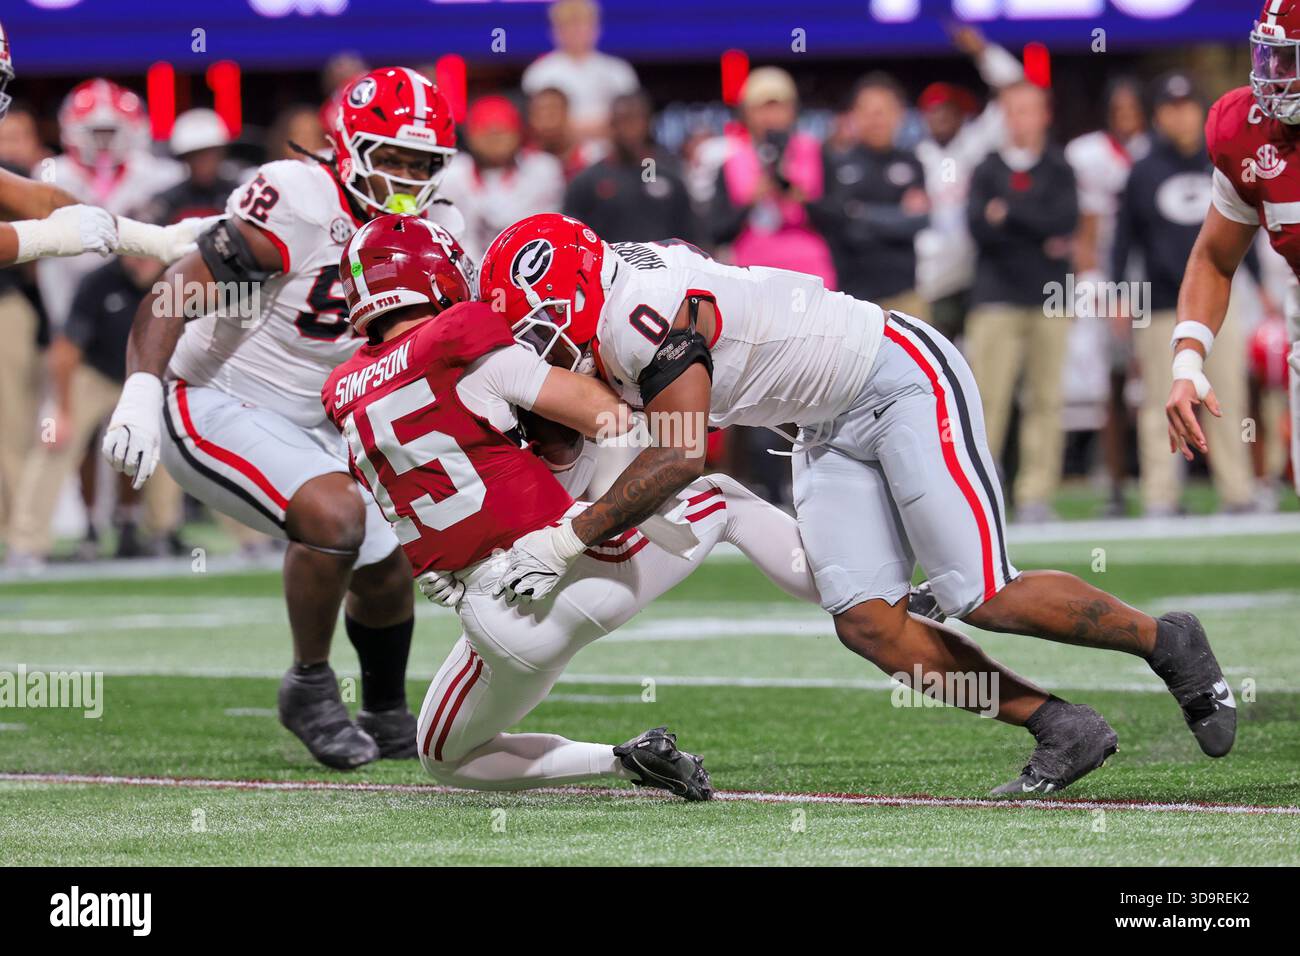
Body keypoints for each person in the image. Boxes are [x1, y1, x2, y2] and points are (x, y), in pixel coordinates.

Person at [478, 212, 1238, 797]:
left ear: (577, 296)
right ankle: (1060, 726)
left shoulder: (640, 315)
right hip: (820, 423)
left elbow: (678, 454)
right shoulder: (614, 292)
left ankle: (1167, 643)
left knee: (981, 594)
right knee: (868, 623)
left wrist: (564, 540)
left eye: (539, 328)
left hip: (898, 378)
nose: (541, 349)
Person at [325, 214, 821, 796]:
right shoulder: (461, 340)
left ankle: (623, 761)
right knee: (719, 496)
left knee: (446, 759)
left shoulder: (343, 390)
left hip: (489, 618)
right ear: (437, 279)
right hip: (563, 578)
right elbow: (608, 416)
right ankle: (857, 593)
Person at [100, 67, 461, 771]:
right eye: (389, 158)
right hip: (212, 396)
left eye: (420, 165)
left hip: (316, 420)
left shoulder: (437, 226)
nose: (404, 180)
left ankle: (385, 713)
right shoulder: (297, 198)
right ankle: (309, 684)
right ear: (348, 146)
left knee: (389, 566)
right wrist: (142, 387)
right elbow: (180, 287)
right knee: (335, 516)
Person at [1166, 0, 1300, 500]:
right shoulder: (1244, 132)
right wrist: (1187, 364)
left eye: (1288, 60)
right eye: (1270, 57)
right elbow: (1215, 260)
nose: (1273, 75)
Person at [1114, 73, 1257, 517]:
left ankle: (1238, 492)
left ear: (1200, 110)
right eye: (1170, 108)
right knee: (1163, 395)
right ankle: (1161, 494)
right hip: (1160, 304)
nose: (1180, 116)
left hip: (1220, 304)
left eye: (1187, 106)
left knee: (1229, 396)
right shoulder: (1142, 170)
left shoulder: (1220, 158)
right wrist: (1120, 292)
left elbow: (1240, 230)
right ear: (1158, 115)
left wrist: (1266, 287)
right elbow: (1124, 237)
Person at [6, 255, 182, 566]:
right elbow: (65, 349)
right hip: (93, 375)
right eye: (134, 252)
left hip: (149, 377)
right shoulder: (99, 282)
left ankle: (163, 531)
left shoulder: (179, 281)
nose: (140, 262)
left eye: (147, 255)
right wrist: (61, 411)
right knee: (51, 442)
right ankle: (26, 543)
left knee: (177, 441)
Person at [963, 81, 1079, 522]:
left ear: (1044, 115)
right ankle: (981, 493)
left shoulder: (1058, 165)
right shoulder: (987, 167)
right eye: (1013, 111)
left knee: (1046, 398)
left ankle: (1036, 494)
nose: (1021, 120)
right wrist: (1035, 225)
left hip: (1050, 296)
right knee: (987, 399)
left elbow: (1064, 220)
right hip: (995, 297)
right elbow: (977, 227)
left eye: (1029, 110)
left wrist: (1009, 213)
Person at [1065, 78, 1150, 516]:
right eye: (1118, 108)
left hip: (1154, 276)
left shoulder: (1154, 151)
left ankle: (1156, 483)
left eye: (1133, 107)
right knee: (1108, 384)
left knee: (1152, 384)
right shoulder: (1090, 154)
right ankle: (1114, 479)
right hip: (1108, 280)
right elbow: (1087, 230)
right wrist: (1101, 287)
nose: (1126, 116)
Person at [913, 25, 1024, 340]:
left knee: (978, 363)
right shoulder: (915, 157)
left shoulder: (978, 142)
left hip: (981, 267)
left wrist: (983, 51)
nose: (940, 118)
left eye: (947, 111)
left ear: (961, 114)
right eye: (932, 112)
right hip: (931, 275)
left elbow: (1014, 88)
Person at [812, 72, 929, 319]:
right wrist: (895, 216)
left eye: (882, 111)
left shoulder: (912, 163)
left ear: (900, 114)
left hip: (905, 295)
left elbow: (918, 221)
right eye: (867, 111)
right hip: (850, 299)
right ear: (853, 115)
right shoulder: (836, 163)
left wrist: (860, 213)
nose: (875, 120)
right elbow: (838, 223)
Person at [708, 66, 834, 286]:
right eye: (762, 109)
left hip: (810, 273)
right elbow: (716, 230)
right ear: (746, 113)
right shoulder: (731, 162)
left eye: (779, 108)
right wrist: (751, 200)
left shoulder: (816, 152)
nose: (771, 117)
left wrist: (801, 197)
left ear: (793, 110)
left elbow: (838, 219)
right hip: (754, 276)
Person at [438, 95, 564, 260]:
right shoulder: (451, 174)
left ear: (518, 133)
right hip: (464, 270)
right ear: (470, 136)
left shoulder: (543, 170)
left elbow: (548, 231)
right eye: (486, 132)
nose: (495, 141)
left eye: (503, 132)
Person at [564, 91, 697, 243]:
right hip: (609, 264)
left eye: (636, 120)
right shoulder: (587, 181)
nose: (630, 129)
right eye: (624, 121)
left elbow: (690, 233)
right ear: (611, 125)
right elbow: (573, 237)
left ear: (647, 124)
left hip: (662, 264)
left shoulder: (664, 175)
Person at [521, 0, 639, 143]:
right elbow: (537, 123)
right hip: (558, 155)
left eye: (582, 24)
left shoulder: (619, 70)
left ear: (596, 28)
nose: (575, 31)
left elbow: (632, 119)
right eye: (568, 25)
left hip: (610, 154)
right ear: (554, 31)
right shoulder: (539, 73)